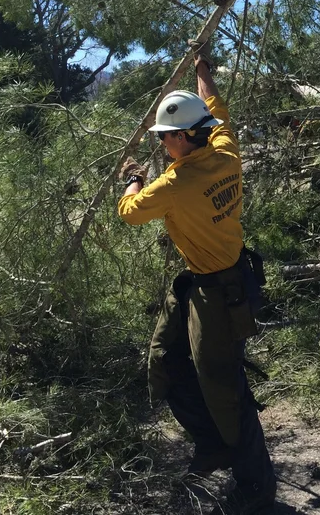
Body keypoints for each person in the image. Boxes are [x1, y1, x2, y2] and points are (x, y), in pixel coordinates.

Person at [118, 47, 276, 512]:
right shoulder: (224, 150)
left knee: (226, 390)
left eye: (166, 137)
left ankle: (256, 488)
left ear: (187, 136)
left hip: (219, 293)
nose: (162, 144)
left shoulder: (174, 184)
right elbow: (216, 107)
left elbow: (129, 212)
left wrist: (132, 178)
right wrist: (202, 71)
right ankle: (212, 444)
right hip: (202, 282)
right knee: (166, 361)